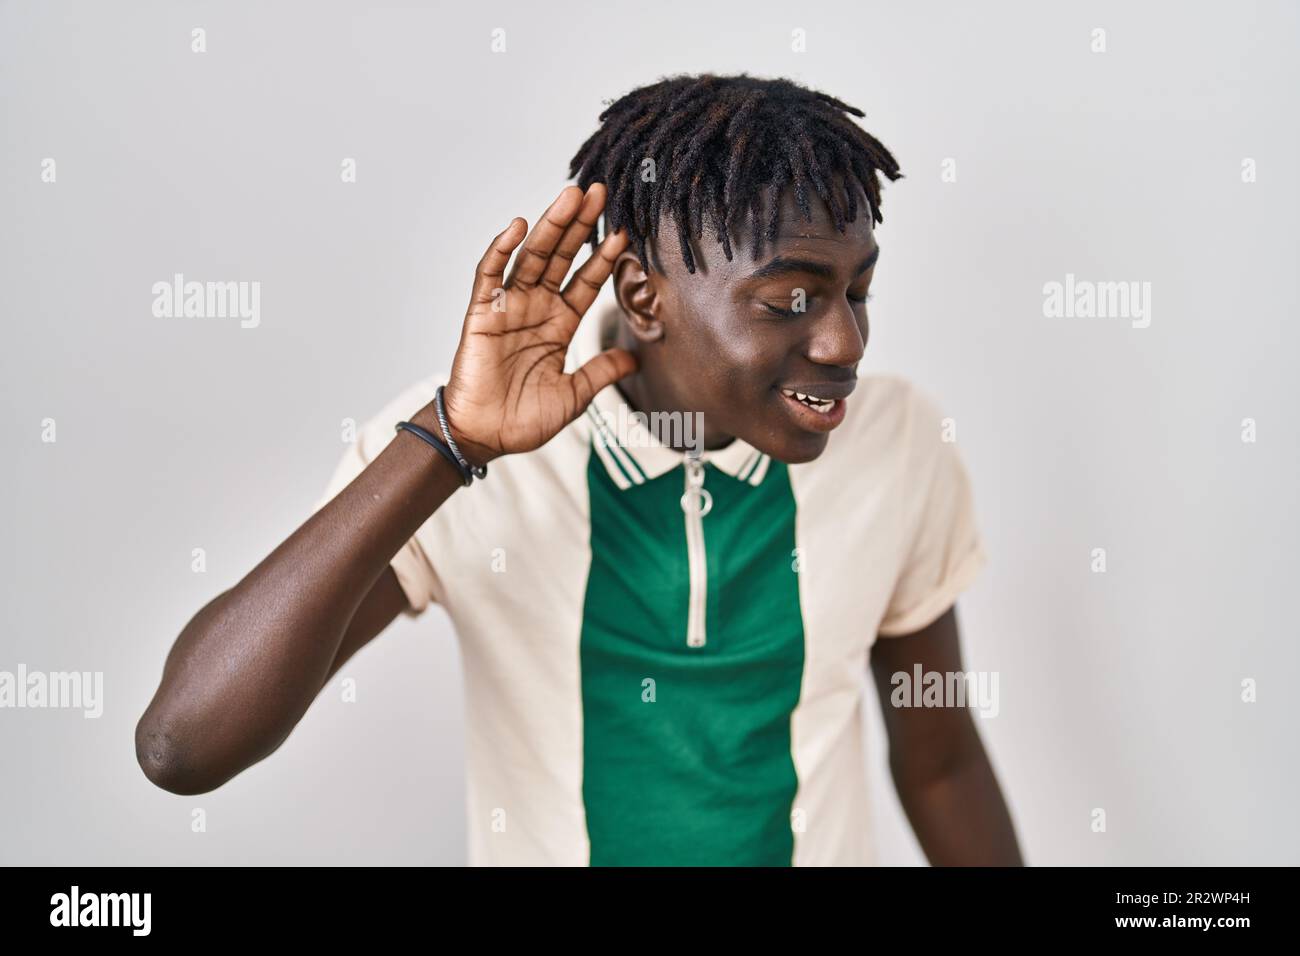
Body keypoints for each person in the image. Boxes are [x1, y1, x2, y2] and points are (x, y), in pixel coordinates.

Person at [136, 73, 1022, 866]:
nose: (844, 343)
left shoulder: (899, 441)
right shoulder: (459, 458)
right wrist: (453, 443)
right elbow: (184, 745)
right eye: (791, 299)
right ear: (642, 298)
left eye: (857, 290)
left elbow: (940, 761)